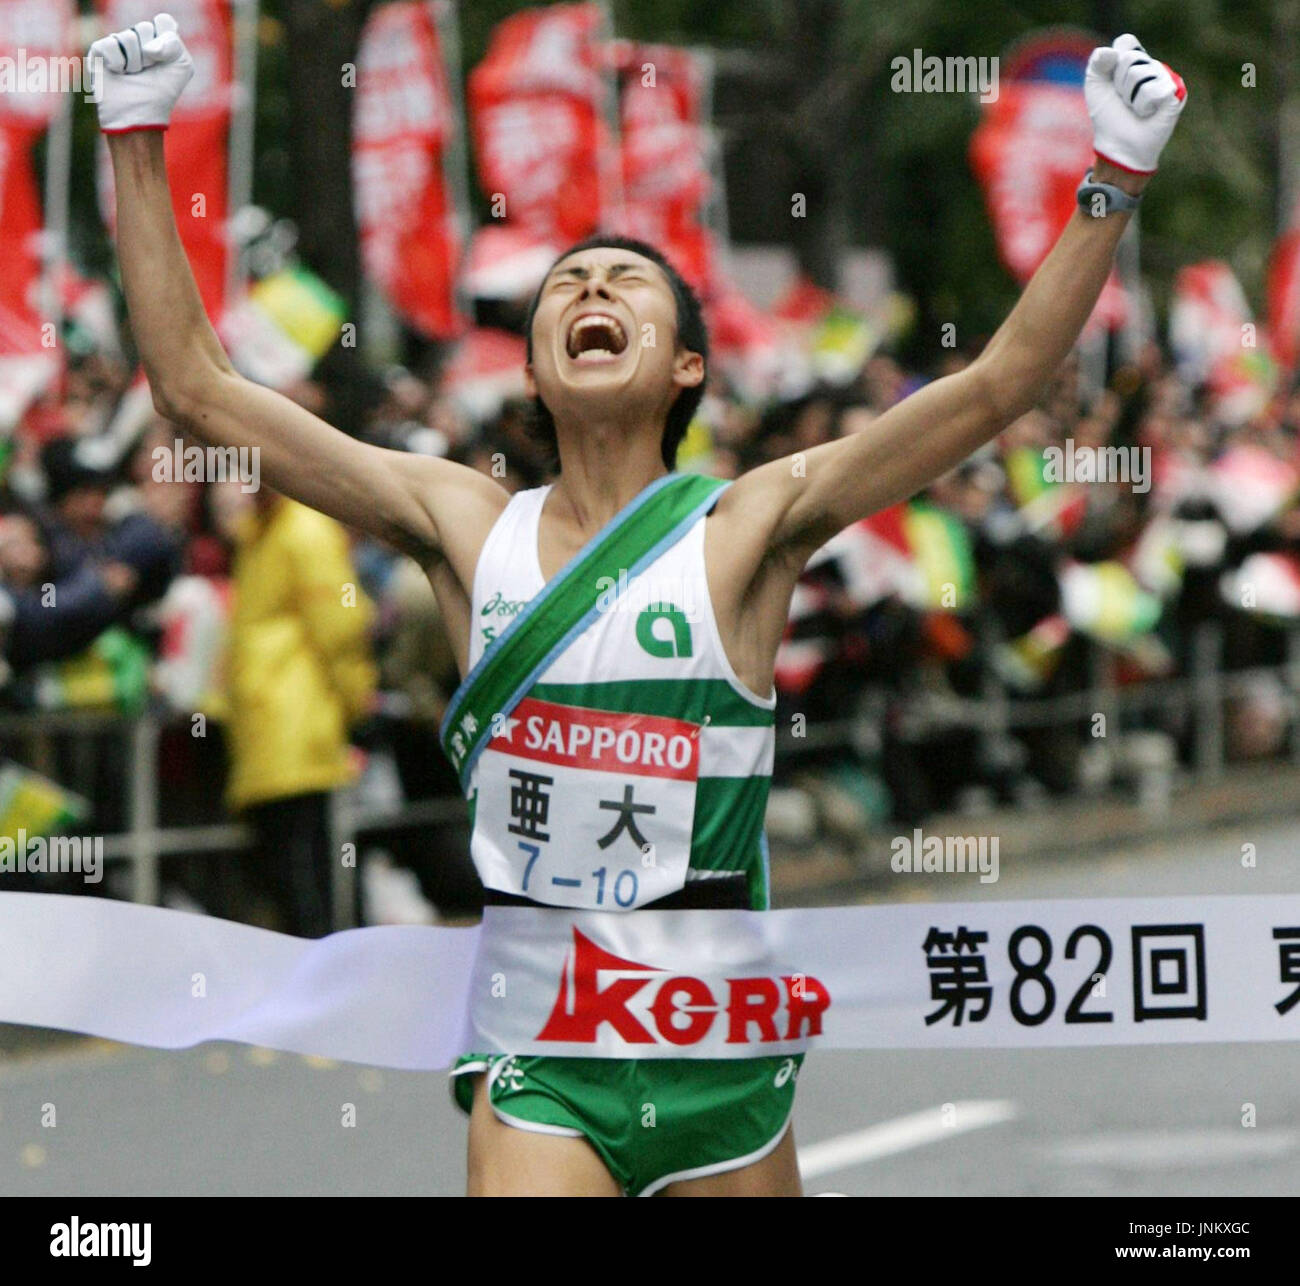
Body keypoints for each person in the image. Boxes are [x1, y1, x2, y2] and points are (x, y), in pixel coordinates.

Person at [92, 15, 1185, 1195]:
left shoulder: (749, 526)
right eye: (567, 286)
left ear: (687, 368)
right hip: (540, 1042)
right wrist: (138, 138)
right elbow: (198, 393)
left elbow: (996, 387)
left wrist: (1111, 181)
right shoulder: (463, 523)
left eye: (625, 282)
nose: (591, 289)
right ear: (537, 366)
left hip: (719, 1040)